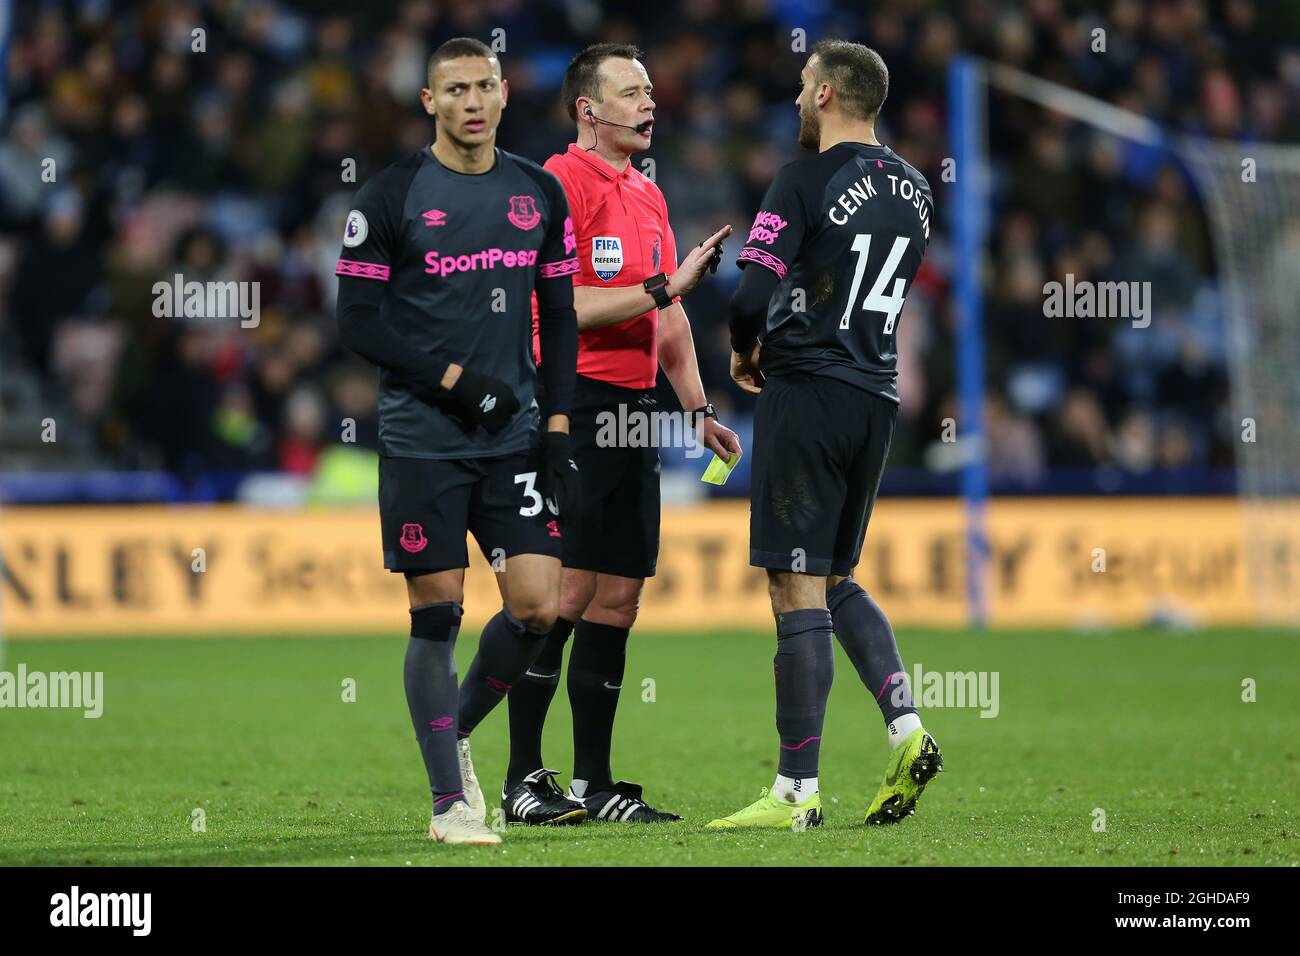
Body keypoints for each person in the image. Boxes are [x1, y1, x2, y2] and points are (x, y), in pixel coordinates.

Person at [334, 38, 582, 844]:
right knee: (436, 615)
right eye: (455, 90)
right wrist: (453, 380)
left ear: (504, 93)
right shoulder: (390, 195)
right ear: (429, 102)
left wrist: (557, 425)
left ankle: (456, 730)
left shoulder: (538, 191)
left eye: (483, 86)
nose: (471, 102)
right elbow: (356, 321)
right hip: (423, 440)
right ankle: (450, 804)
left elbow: (561, 316)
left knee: (539, 607)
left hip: (514, 439)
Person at [489, 43, 741, 824]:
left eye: (650, 92)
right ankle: (522, 781)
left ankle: (594, 786)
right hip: (570, 404)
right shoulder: (558, 184)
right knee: (564, 591)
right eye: (631, 93)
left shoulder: (648, 194)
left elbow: (670, 317)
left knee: (619, 597)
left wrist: (697, 409)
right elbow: (558, 305)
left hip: (635, 410)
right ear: (587, 110)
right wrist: (664, 287)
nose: (649, 103)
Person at [710, 40, 942, 830]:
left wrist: (744, 352)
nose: (795, 98)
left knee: (795, 583)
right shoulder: (916, 190)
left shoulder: (803, 178)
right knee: (835, 577)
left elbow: (750, 297)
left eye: (803, 85)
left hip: (808, 391)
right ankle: (907, 729)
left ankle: (795, 793)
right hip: (876, 398)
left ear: (826, 96)